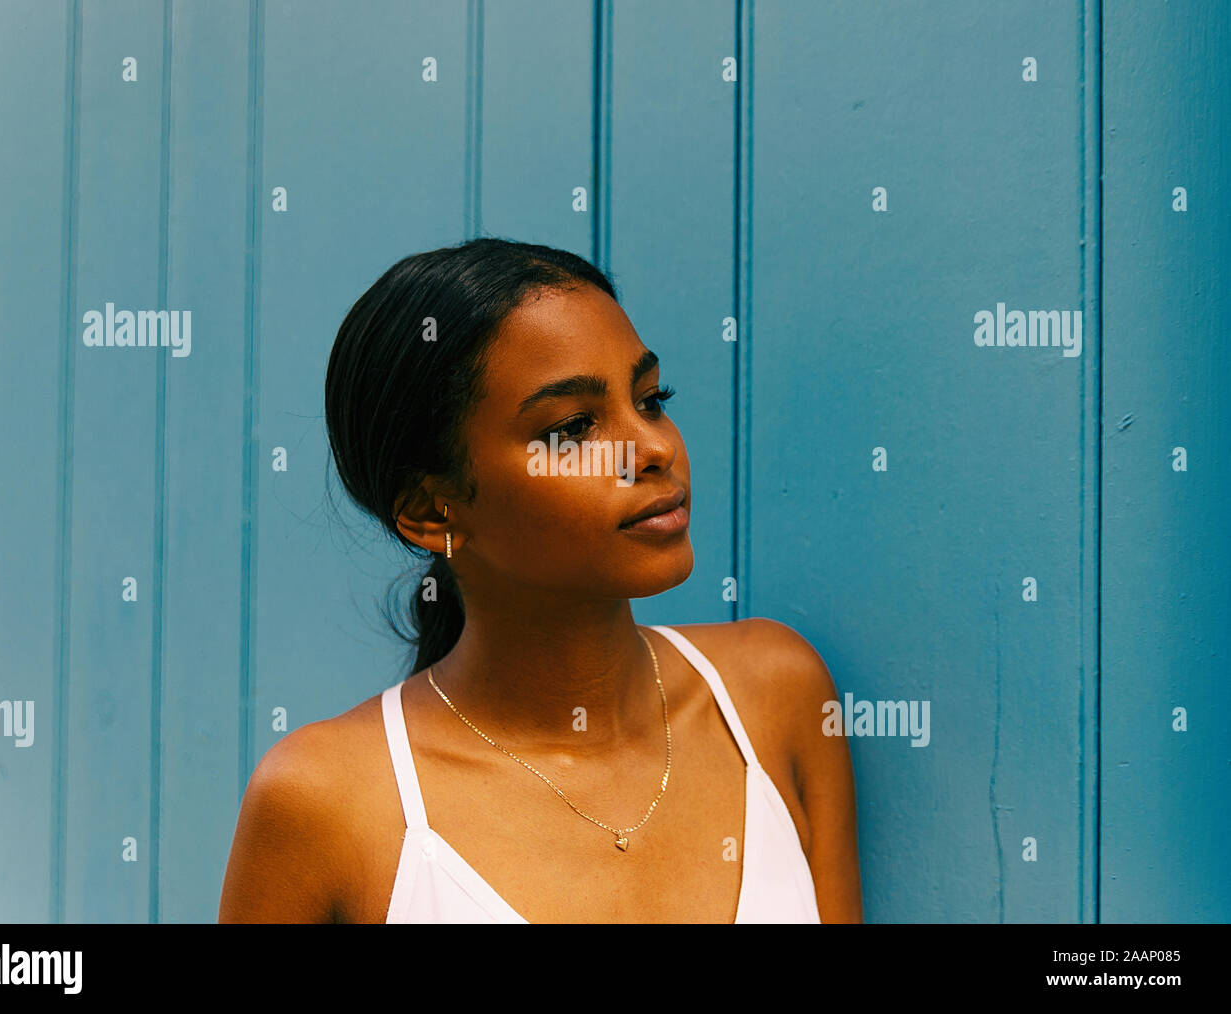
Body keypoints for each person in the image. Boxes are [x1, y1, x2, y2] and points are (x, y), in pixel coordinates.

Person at [218, 237, 862, 923]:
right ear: (433, 510)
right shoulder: (327, 801)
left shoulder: (774, 699)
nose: (653, 448)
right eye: (574, 428)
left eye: (651, 398)